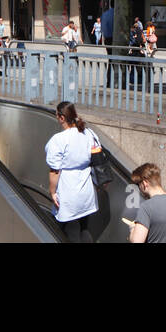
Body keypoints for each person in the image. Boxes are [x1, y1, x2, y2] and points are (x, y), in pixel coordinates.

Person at [45, 101, 99, 242]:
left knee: (60, 230)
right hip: (86, 191)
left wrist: (52, 192)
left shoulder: (59, 140)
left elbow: (54, 171)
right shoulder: (88, 133)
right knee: (83, 228)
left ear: (62, 118)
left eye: (56, 115)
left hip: (68, 192)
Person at [128, 163, 166, 243]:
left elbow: (136, 241)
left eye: (138, 184)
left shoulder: (147, 207)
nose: (139, 188)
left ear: (144, 183)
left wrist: (132, 229)